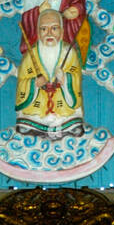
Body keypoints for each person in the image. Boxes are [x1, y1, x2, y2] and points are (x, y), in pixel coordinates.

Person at [16, 8, 83, 138]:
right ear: (38, 33)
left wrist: (65, 79)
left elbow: (76, 77)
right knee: (28, 122)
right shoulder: (31, 55)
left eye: (54, 28)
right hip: (38, 105)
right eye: (43, 29)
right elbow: (22, 79)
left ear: (62, 32)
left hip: (62, 104)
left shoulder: (69, 54)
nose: (49, 33)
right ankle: (35, 125)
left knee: (70, 121)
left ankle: (67, 125)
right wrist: (34, 83)